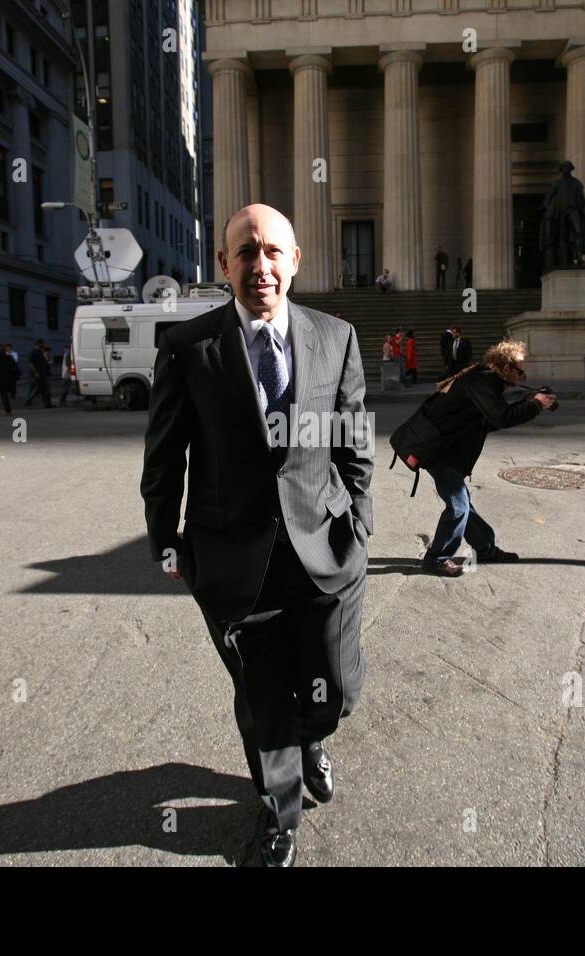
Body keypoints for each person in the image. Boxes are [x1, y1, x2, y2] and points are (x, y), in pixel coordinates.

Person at [141, 203, 371, 868]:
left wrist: (358, 528)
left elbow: (354, 445)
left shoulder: (337, 337)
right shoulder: (188, 348)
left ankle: (314, 737)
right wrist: (169, 544)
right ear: (224, 264)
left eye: (273, 251)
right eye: (245, 252)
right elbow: (164, 459)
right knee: (263, 697)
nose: (260, 266)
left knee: (336, 688)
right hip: (232, 563)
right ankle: (279, 815)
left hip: (325, 551)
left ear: (295, 261)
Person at [417, 340, 555, 576]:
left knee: (463, 505)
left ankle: (485, 547)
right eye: (520, 372)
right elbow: (501, 418)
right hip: (439, 451)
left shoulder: (486, 381)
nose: (522, 377)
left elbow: (490, 420)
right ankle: (436, 559)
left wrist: (529, 401)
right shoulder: (482, 382)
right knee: (458, 506)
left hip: (448, 450)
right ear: (506, 368)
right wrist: (534, 405)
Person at [0, 345, 20, 415]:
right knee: (5, 395)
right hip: (9, 379)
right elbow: (15, 367)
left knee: (3, 396)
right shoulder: (9, 357)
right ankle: (8, 409)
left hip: (0, 380)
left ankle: (7, 411)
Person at [25, 338, 54, 408]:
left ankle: (47, 403)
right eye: (43, 343)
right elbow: (30, 363)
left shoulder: (39, 352)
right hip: (37, 374)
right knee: (37, 389)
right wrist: (36, 372)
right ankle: (28, 402)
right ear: (40, 344)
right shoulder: (34, 352)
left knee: (43, 389)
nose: (44, 345)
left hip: (42, 374)